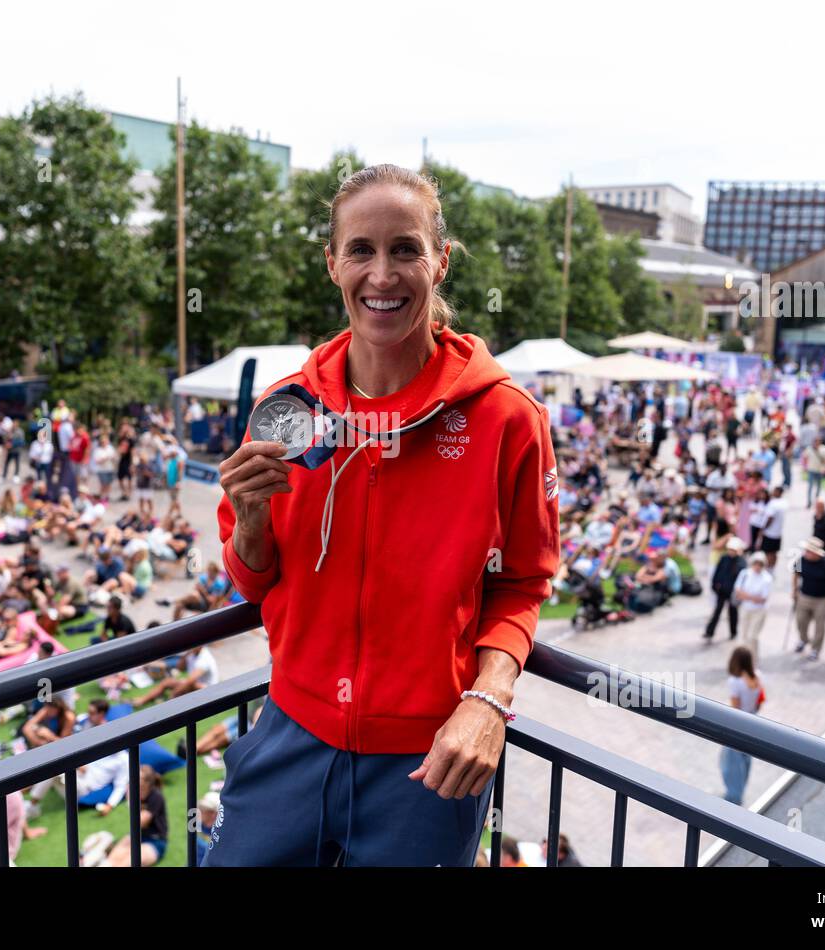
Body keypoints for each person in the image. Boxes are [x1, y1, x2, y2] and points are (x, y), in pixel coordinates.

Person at [205, 164, 560, 867]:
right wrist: (248, 519)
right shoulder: (286, 411)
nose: (383, 274)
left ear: (441, 260)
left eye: (405, 249)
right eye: (361, 250)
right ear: (332, 263)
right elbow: (253, 581)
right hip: (290, 735)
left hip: (427, 763)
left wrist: (489, 700)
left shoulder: (506, 418)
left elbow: (522, 583)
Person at [720, 647, 763, 805]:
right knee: (745, 760)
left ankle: (733, 797)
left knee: (730, 762)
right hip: (752, 719)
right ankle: (740, 791)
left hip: (738, 724)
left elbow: (735, 707)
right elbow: (758, 701)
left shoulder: (735, 682)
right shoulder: (757, 677)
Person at [792, 538, 825, 661]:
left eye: (809, 551)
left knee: (820, 626)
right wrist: (794, 590)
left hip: (822, 599)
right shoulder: (801, 560)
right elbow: (795, 575)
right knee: (800, 620)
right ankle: (803, 639)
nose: (806, 553)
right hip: (804, 596)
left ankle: (815, 649)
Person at [704, 536, 745, 643]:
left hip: (732, 592)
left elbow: (742, 579)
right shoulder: (724, 558)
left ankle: (733, 632)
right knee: (717, 611)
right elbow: (717, 573)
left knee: (733, 613)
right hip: (722, 591)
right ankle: (709, 631)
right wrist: (715, 585)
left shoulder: (741, 563)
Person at [733, 552, 772, 661]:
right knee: (743, 636)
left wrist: (746, 596)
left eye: (760, 564)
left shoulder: (766, 578)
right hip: (746, 609)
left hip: (759, 611)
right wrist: (752, 598)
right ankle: (742, 660)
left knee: (752, 637)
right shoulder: (745, 573)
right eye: (756, 564)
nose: (757, 567)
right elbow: (738, 592)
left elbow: (762, 599)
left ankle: (753, 661)